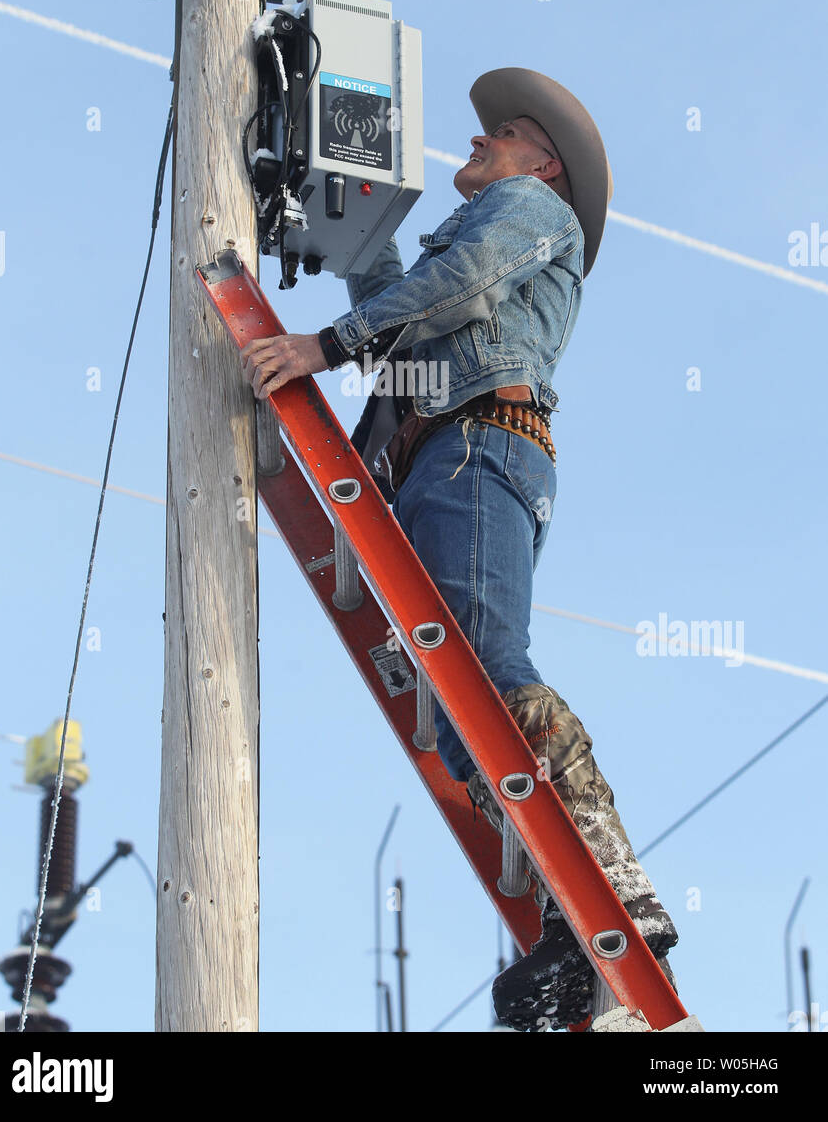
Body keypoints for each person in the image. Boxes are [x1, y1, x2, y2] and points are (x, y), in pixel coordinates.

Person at [240, 67, 678, 1031]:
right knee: (464, 687)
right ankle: (576, 921)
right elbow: (420, 328)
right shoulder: (480, 241)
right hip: (455, 447)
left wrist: (328, 344)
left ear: (544, 163)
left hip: (480, 444)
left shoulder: (532, 209)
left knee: (486, 670)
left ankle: (615, 894)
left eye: (502, 133)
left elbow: (458, 284)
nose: (477, 143)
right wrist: (350, 231)